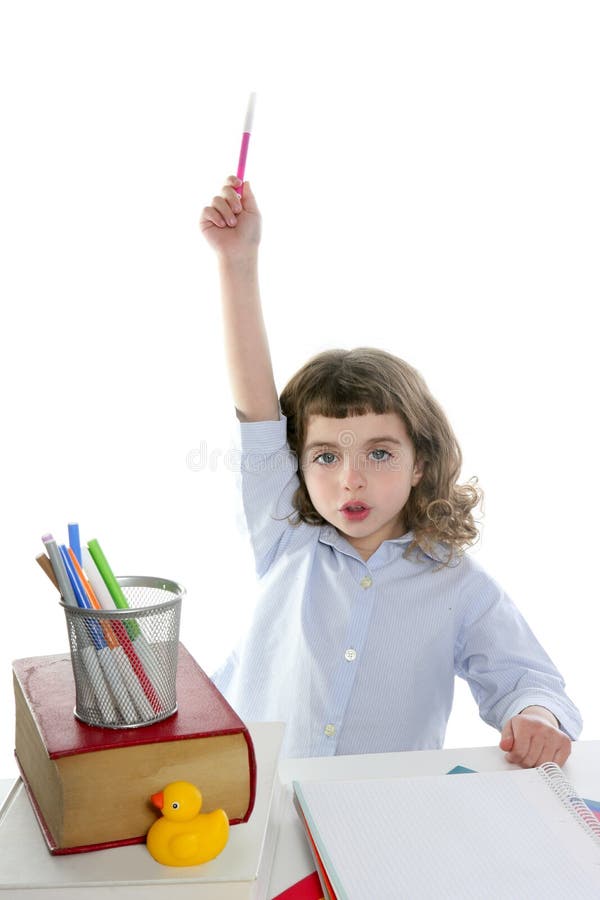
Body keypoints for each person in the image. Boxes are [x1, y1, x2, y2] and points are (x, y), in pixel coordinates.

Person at [199, 175, 582, 766]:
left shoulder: (457, 584)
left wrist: (534, 716)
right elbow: (255, 406)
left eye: (379, 454)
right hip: (256, 806)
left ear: (418, 462)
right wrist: (237, 260)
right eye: (326, 456)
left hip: (382, 821)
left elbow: (527, 679)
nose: (351, 480)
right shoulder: (285, 537)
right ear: (295, 464)